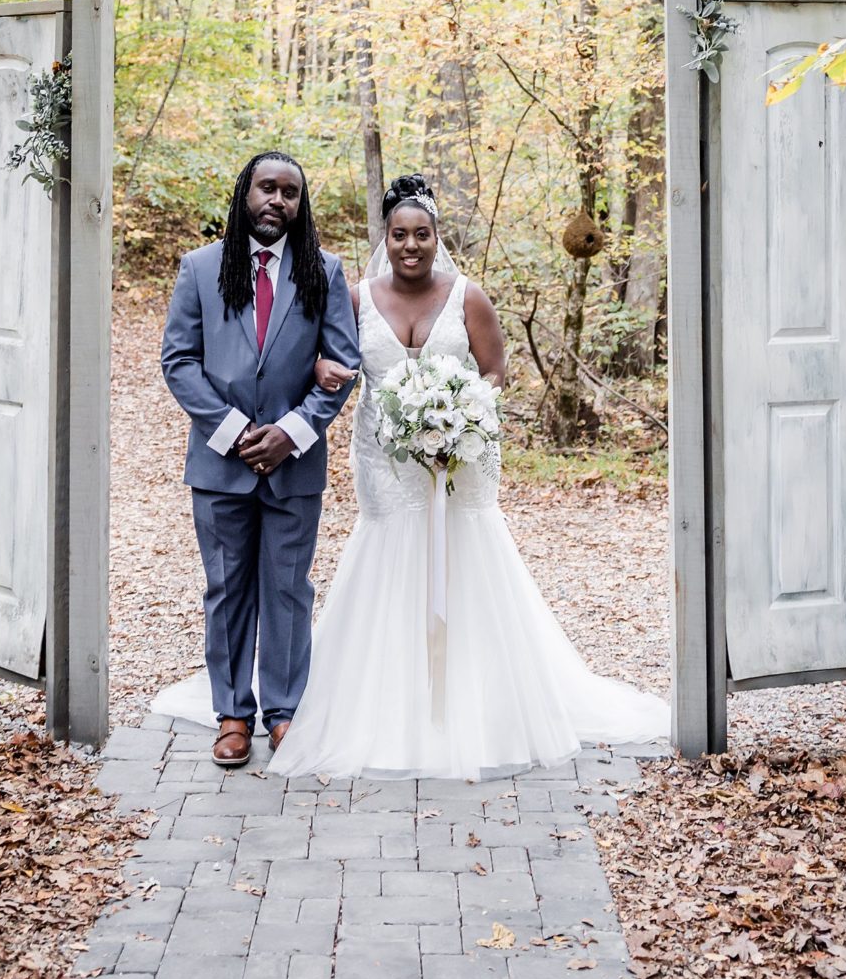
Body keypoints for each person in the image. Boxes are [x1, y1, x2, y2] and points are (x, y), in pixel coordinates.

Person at [268, 173, 670, 779]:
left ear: (437, 237)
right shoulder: (353, 298)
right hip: (384, 462)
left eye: (422, 235)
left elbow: (495, 372)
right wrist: (324, 364)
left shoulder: (468, 297)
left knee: (464, 555)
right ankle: (388, 703)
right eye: (399, 235)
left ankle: (475, 705)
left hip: (461, 457)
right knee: (390, 555)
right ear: (386, 237)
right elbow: (327, 360)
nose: (411, 246)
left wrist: (460, 420)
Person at [157, 151, 360, 767]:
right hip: (222, 466)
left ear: (301, 205)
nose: (278, 200)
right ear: (245, 193)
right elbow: (179, 362)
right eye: (267, 188)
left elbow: (341, 367)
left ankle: (285, 712)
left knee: (289, 590)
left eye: (291, 193)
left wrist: (293, 431)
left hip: (294, 464)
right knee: (227, 590)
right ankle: (232, 714)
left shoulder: (325, 271)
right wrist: (239, 430)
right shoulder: (200, 270)